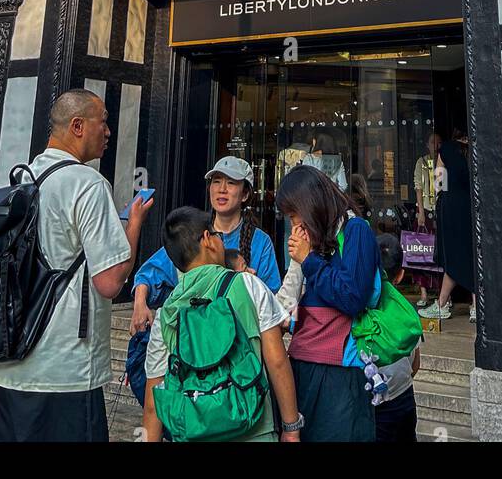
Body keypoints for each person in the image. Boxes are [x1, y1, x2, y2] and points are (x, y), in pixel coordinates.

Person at [0, 89, 152, 443]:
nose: (108, 131)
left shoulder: (24, 177)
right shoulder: (87, 184)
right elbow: (110, 282)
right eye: (103, 121)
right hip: (64, 371)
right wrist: (134, 224)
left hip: (7, 364)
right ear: (78, 126)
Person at [141, 207, 301, 443]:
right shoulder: (248, 285)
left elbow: (154, 403)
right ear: (207, 239)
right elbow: (277, 361)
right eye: (216, 234)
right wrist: (291, 427)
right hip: (254, 428)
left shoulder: (167, 313)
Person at [277, 163, 381, 443]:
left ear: (311, 204)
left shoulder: (356, 231)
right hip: (301, 363)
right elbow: (288, 296)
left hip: (339, 372)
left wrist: (308, 260)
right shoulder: (313, 241)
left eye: (294, 213)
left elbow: (352, 298)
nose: (293, 224)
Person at [131, 156, 281, 338]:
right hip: (192, 339)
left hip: (239, 340)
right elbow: (149, 274)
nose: (222, 190)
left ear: (245, 194)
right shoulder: (192, 231)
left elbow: (270, 299)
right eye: (216, 182)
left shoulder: (261, 242)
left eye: (231, 183)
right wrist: (140, 305)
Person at [373, 234, 421, 443]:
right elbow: (416, 363)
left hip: (373, 401)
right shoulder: (406, 311)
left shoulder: (361, 304)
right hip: (403, 396)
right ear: (400, 275)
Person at [425, 127, 474, 321]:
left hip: (451, 208)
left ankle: (441, 304)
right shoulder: (474, 149)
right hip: (472, 206)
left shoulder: (446, 150)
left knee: (453, 254)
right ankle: (476, 307)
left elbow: (439, 182)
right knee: (473, 253)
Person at [413, 130, 442, 310]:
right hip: (425, 211)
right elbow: (418, 186)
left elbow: (442, 187)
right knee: (420, 253)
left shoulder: (441, 163)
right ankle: (423, 292)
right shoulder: (421, 162)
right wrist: (421, 211)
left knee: (438, 254)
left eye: (438, 143)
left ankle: (442, 295)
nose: (435, 146)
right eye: (432, 143)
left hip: (438, 211)